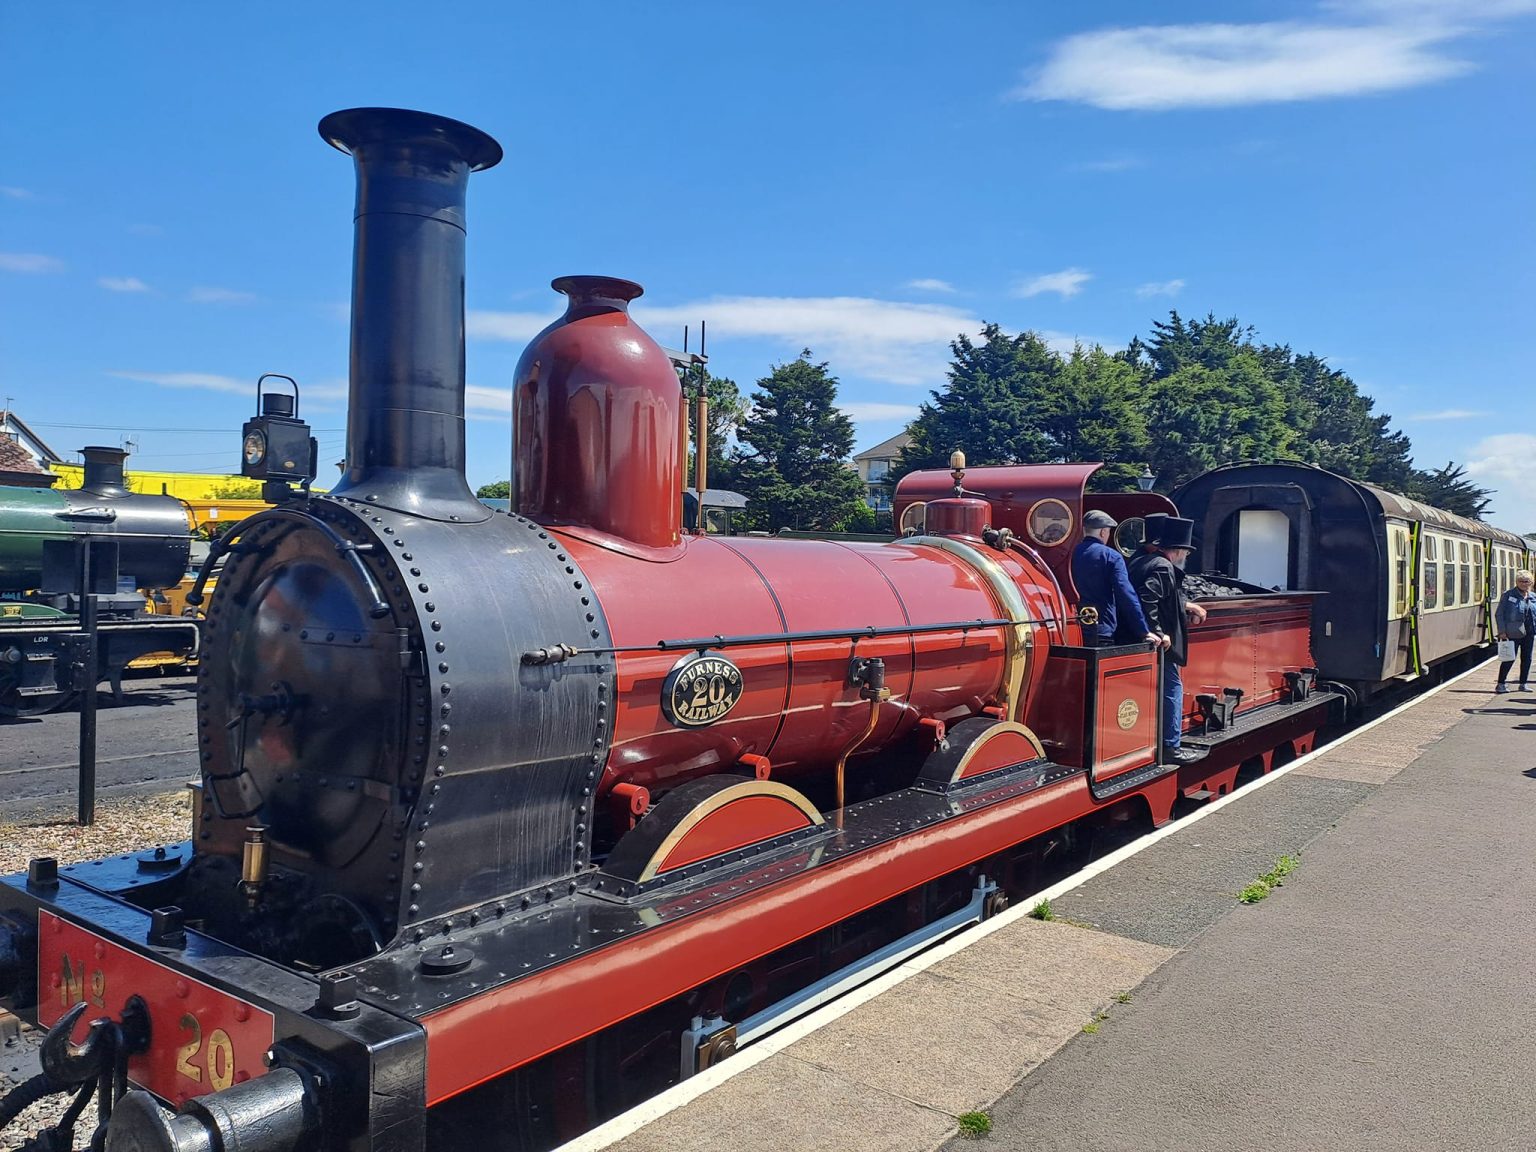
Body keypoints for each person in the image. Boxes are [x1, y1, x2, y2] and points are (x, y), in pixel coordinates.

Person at [1129, 515, 1208, 764]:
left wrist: (1186, 605)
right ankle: (1171, 746)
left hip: (1134, 638)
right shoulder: (1163, 566)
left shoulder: (1139, 560)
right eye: (1185, 551)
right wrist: (1159, 632)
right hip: (1157, 643)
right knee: (1173, 687)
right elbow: (1148, 597)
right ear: (1179, 550)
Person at [1070, 510, 1159, 648]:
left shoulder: (1070, 554)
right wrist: (1143, 630)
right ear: (1103, 532)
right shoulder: (1111, 556)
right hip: (1101, 628)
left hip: (1072, 627)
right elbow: (1126, 594)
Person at [1495, 569, 1536, 693]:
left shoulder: (1533, 597)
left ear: (1531, 582)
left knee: (1527, 658)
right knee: (1509, 658)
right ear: (1517, 582)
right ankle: (1501, 684)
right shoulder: (1508, 595)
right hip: (1512, 632)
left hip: (1529, 632)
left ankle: (1523, 683)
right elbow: (1499, 614)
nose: (1524, 583)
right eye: (1521, 581)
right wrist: (1502, 631)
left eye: (1527, 581)